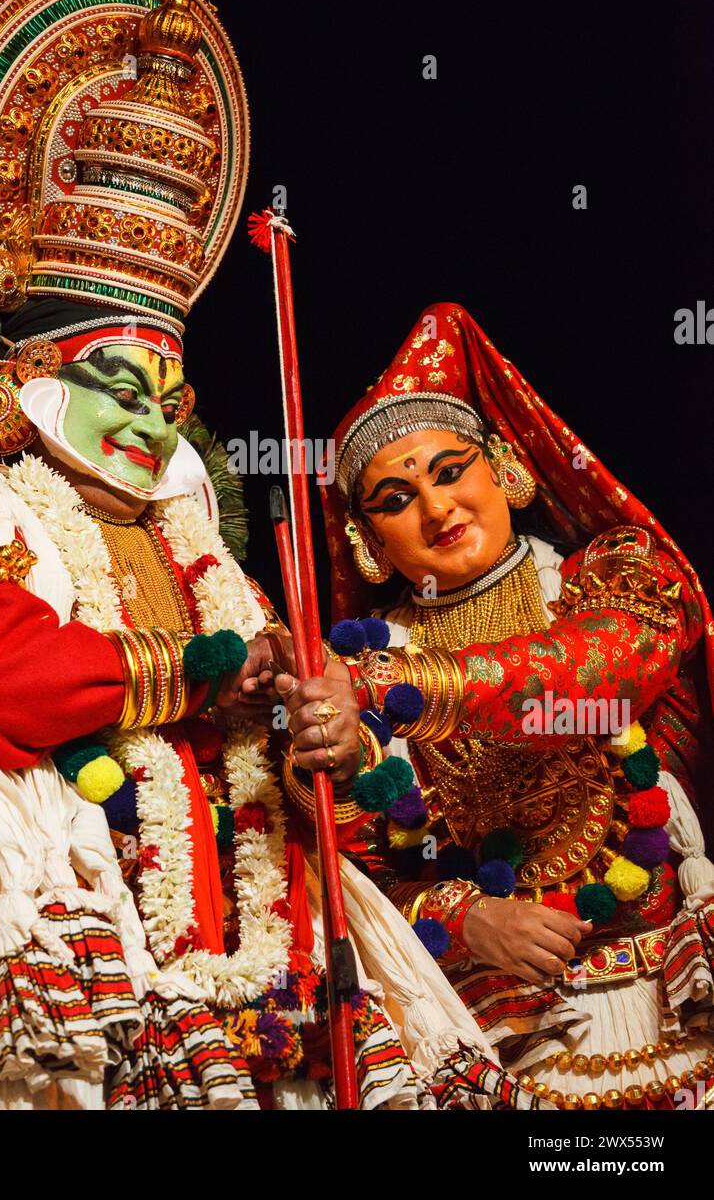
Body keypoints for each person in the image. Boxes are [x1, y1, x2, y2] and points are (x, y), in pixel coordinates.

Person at [0, 0, 534, 1111]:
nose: (150, 420)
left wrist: (328, 737)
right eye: (120, 384)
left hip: (241, 966)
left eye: (170, 397)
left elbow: (307, 756)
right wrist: (209, 671)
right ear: (25, 379)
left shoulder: (207, 563)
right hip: (20, 892)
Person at [281, 301, 714, 1110]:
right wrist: (467, 917)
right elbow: (356, 883)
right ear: (367, 543)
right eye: (395, 498)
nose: (437, 508)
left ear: (506, 469)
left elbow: (585, 676)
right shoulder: (357, 675)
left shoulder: (619, 577)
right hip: (509, 1037)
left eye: (450, 472)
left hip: (682, 995)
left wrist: (388, 687)